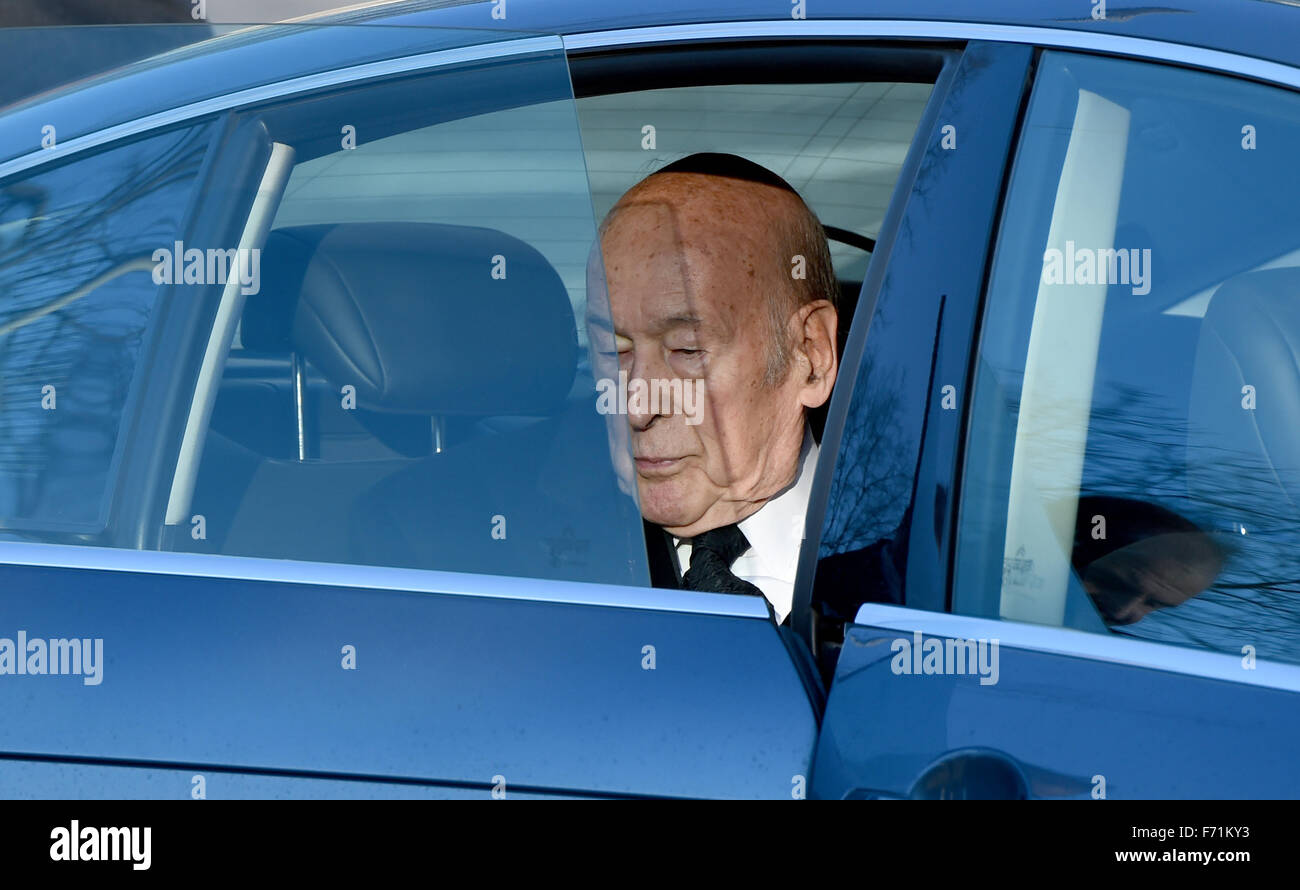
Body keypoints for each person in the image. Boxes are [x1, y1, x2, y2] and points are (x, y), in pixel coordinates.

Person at [592, 153, 839, 624]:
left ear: (810, 355)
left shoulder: (947, 564)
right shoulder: (517, 567)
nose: (637, 408)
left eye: (687, 351)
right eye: (611, 350)